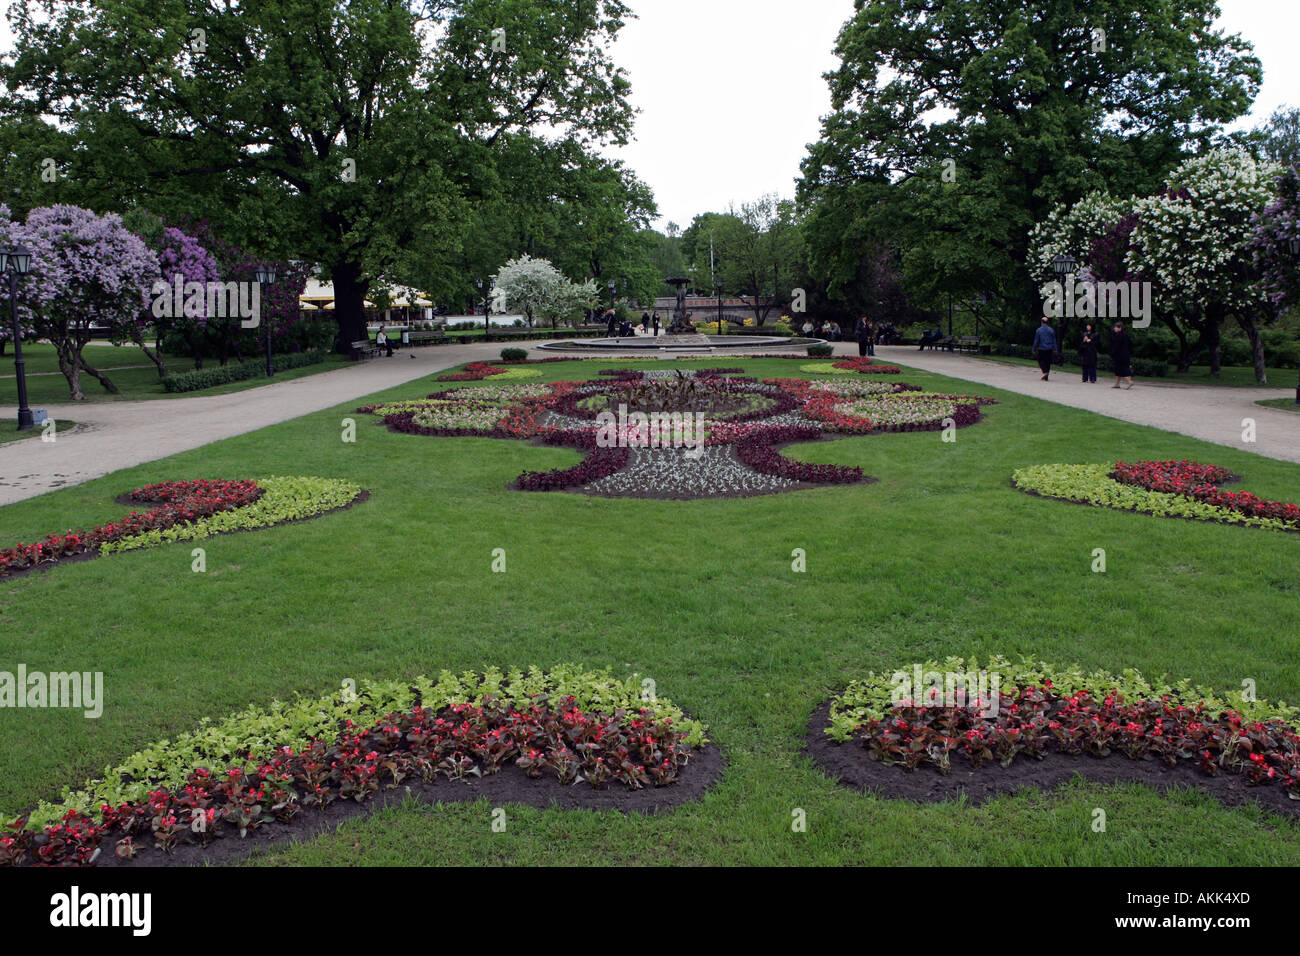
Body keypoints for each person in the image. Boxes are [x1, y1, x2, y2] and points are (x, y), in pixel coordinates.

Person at [1110, 321, 1133, 389]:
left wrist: (1113, 353)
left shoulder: (1118, 335)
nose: (1114, 328)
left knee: (1121, 369)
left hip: (1120, 355)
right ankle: (1117, 384)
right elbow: (1130, 344)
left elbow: (1116, 346)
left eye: (1116, 327)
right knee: (1119, 369)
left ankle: (1129, 382)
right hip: (1126, 354)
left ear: (1119, 328)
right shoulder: (1125, 335)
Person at [1032, 316, 1057, 380]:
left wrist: (1034, 349)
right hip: (1049, 348)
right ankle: (1046, 376)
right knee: (1047, 362)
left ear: (1042, 322)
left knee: (1040, 360)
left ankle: (1045, 372)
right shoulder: (1051, 330)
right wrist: (1055, 349)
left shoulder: (1039, 330)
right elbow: (1054, 340)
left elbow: (1036, 340)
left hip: (1041, 348)